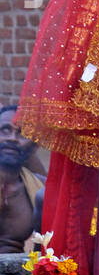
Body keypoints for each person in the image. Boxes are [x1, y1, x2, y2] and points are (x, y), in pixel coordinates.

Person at [0, 105, 45, 253]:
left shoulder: (39, 188)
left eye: (22, 133)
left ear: (33, 146)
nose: (12, 138)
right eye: (5, 130)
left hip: (17, 272)